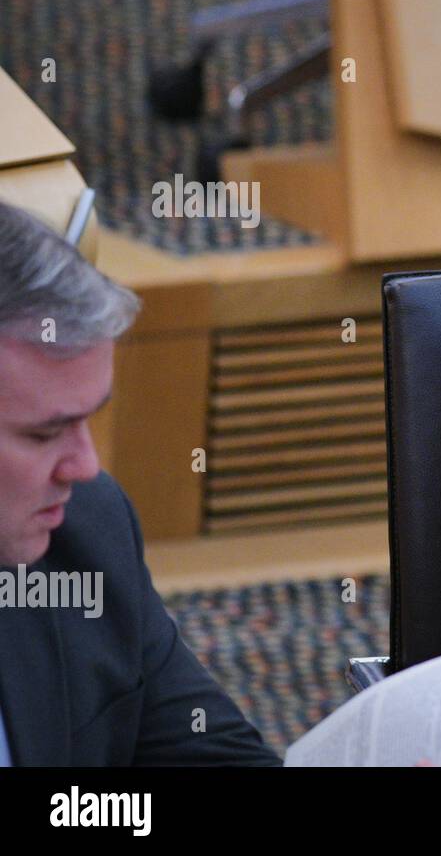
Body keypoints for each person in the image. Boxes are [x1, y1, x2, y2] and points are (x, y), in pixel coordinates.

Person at [0, 199, 281, 766]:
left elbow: (207, 756)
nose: (85, 466)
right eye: (43, 434)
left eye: (88, 418)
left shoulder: (86, 529)